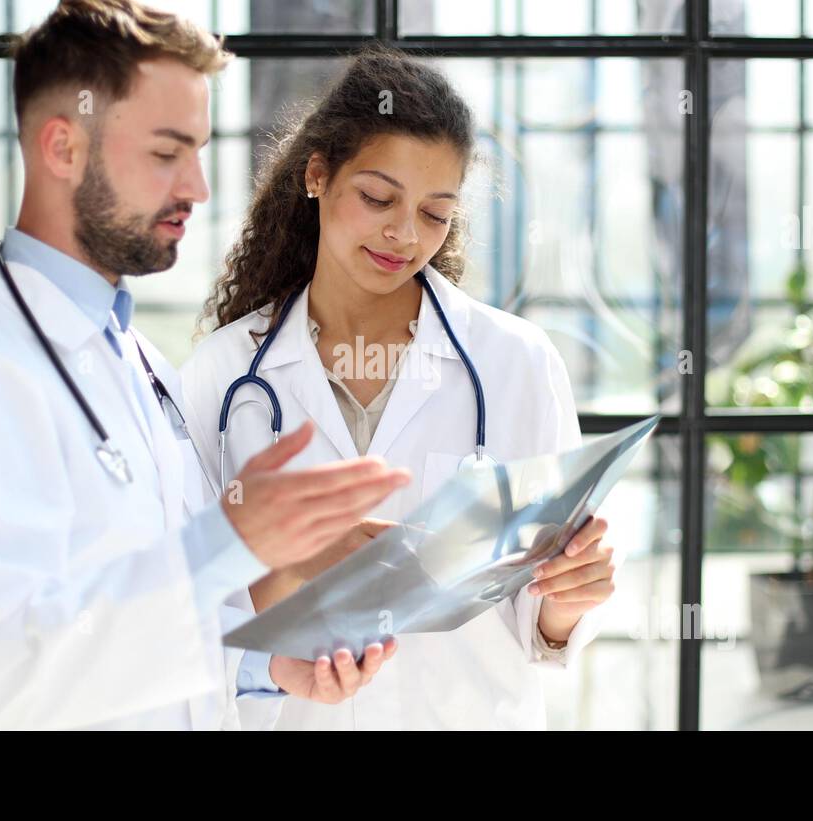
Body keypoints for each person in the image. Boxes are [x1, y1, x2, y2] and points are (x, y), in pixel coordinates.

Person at [0, 0, 406, 731]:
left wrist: (265, 665)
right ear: (63, 148)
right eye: (167, 153)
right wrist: (230, 538)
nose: (198, 187)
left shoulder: (138, 360)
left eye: (198, 150)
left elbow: (130, 631)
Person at [180, 47, 618, 730]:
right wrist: (298, 559)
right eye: (378, 198)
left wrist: (568, 599)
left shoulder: (516, 363)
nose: (404, 234)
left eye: (435, 212)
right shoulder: (224, 375)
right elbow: (189, 602)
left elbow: (540, 624)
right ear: (318, 174)